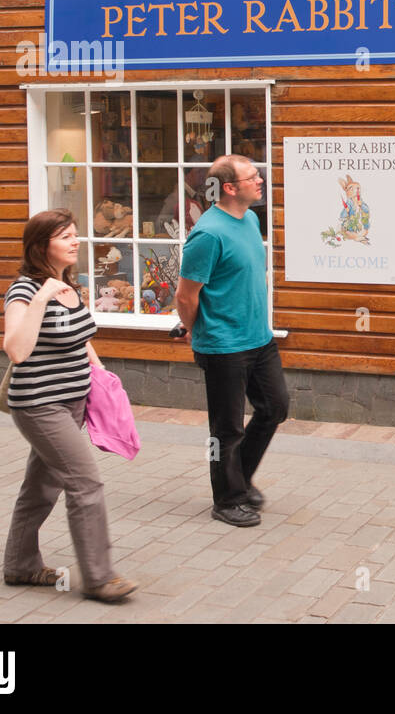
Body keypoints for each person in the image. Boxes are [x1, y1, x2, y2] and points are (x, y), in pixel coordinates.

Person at [2, 209, 136, 603]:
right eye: (65, 236)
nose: (76, 241)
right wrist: (42, 296)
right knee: (85, 482)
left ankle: (20, 565)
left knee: (41, 487)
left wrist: (101, 373)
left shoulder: (70, 285)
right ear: (42, 246)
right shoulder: (25, 291)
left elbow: (78, 336)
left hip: (74, 399)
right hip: (40, 405)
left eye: (75, 234)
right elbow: (16, 349)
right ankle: (99, 578)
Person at [174, 155, 288, 527]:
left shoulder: (250, 219)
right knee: (226, 430)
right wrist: (194, 329)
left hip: (258, 337)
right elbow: (185, 295)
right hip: (224, 344)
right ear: (230, 187)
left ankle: (239, 479)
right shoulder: (208, 234)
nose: (260, 180)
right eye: (252, 176)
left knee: (275, 407)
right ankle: (226, 499)